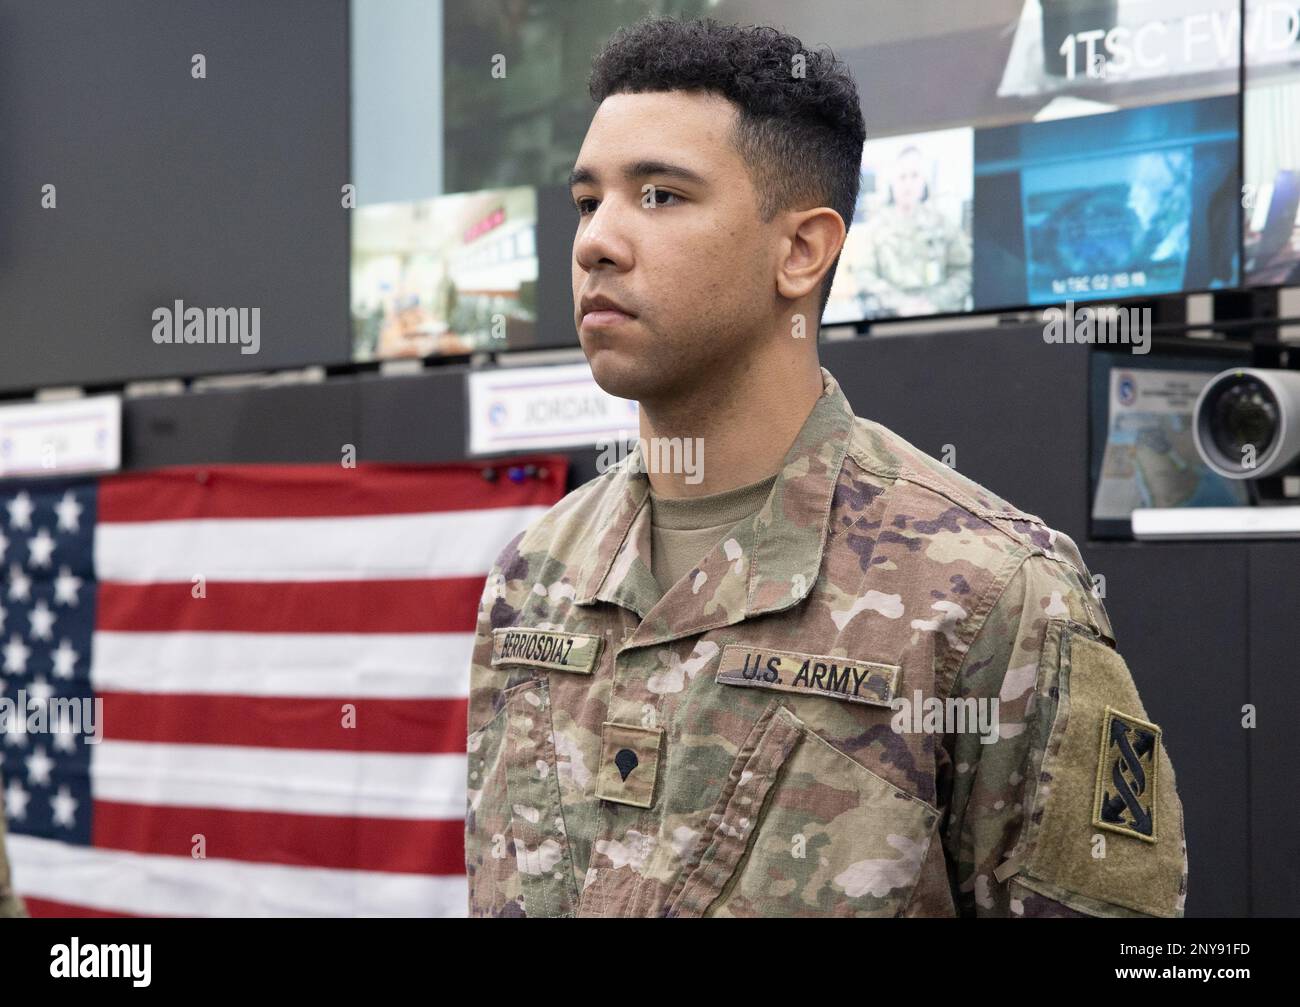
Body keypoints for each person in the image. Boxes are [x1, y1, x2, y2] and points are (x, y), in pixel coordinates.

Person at [464, 15, 1187, 918]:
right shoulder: (533, 580)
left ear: (800, 250)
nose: (596, 241)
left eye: (659, 195)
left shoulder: (989, 597)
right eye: (587, 200)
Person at [845, 145, 972, 317]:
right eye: (902, 177)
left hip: (938, 315)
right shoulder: (875, 229)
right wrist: (900, 304)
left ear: (923, 181)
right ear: (892, 183)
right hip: (891, 318)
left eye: (914, 176)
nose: (908, 184)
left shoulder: (943, 223)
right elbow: (864, 276)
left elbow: (964, 271)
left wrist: (935, 303)